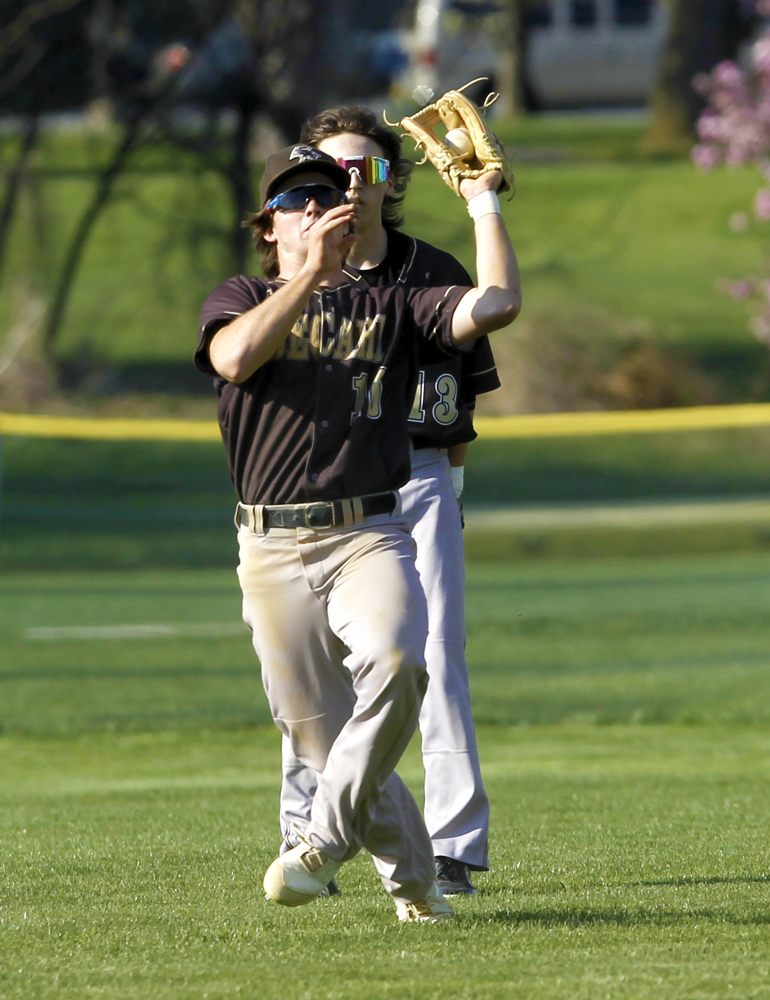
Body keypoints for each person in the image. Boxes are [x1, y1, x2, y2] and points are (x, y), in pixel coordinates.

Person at [194, 143, 520, 922]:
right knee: (322, 738)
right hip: (269, 549)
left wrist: (484, 204)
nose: (314, 207)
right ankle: (417, 888)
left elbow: (496, 306)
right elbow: (235, 357)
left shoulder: (395, 304)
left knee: (404, 662)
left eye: (323, 195)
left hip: (367, 533)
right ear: (267, 228)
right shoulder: (240, 294)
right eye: (293, 201)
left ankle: (320, 838)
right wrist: (309, 273)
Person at [276, 107, 499, 896]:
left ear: (393, 181)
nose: (351, 185)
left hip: (418, 473)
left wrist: (453, 490)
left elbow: (461, 404)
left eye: (367, 169)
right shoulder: (296, 278)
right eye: (334, 170)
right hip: (325, 484)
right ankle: (309, 831)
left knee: (435, 656)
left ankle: (451, 846)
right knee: (317, 668)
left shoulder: (431, 272)